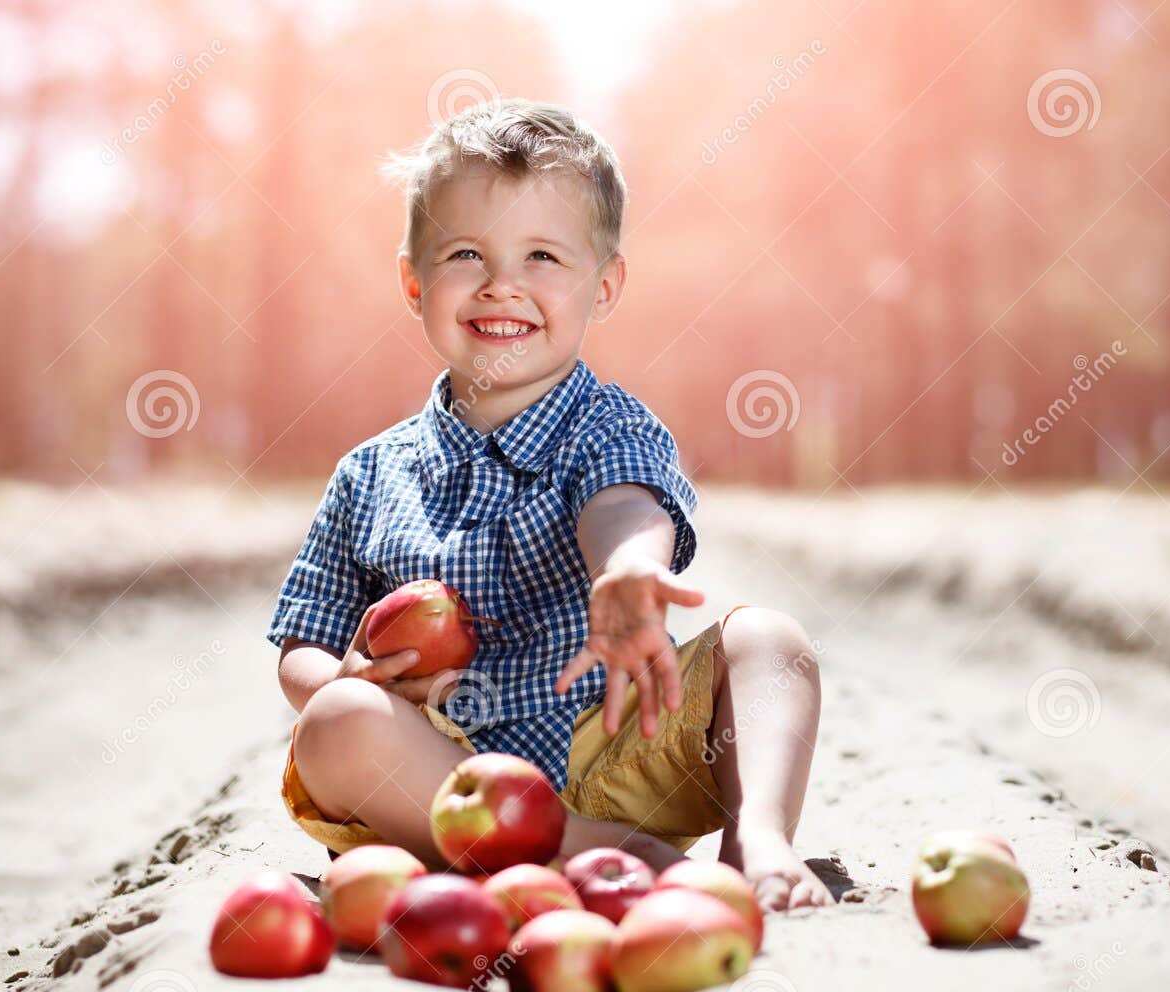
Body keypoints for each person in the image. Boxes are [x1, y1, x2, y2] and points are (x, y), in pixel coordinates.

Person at [269, 99, 830, 911]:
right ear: (413, 281)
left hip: (613, 749)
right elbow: (302, 644)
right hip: (443, 785)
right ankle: (579, 849)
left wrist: (627, 571)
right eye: (466, 253)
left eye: (542, 256)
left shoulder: (610, 426)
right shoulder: (368, 474)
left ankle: (760, 839)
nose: (503, 284)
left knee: (771, 642)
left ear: (605, 287)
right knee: (333, 721)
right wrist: (342, 675)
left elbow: (624, 505)